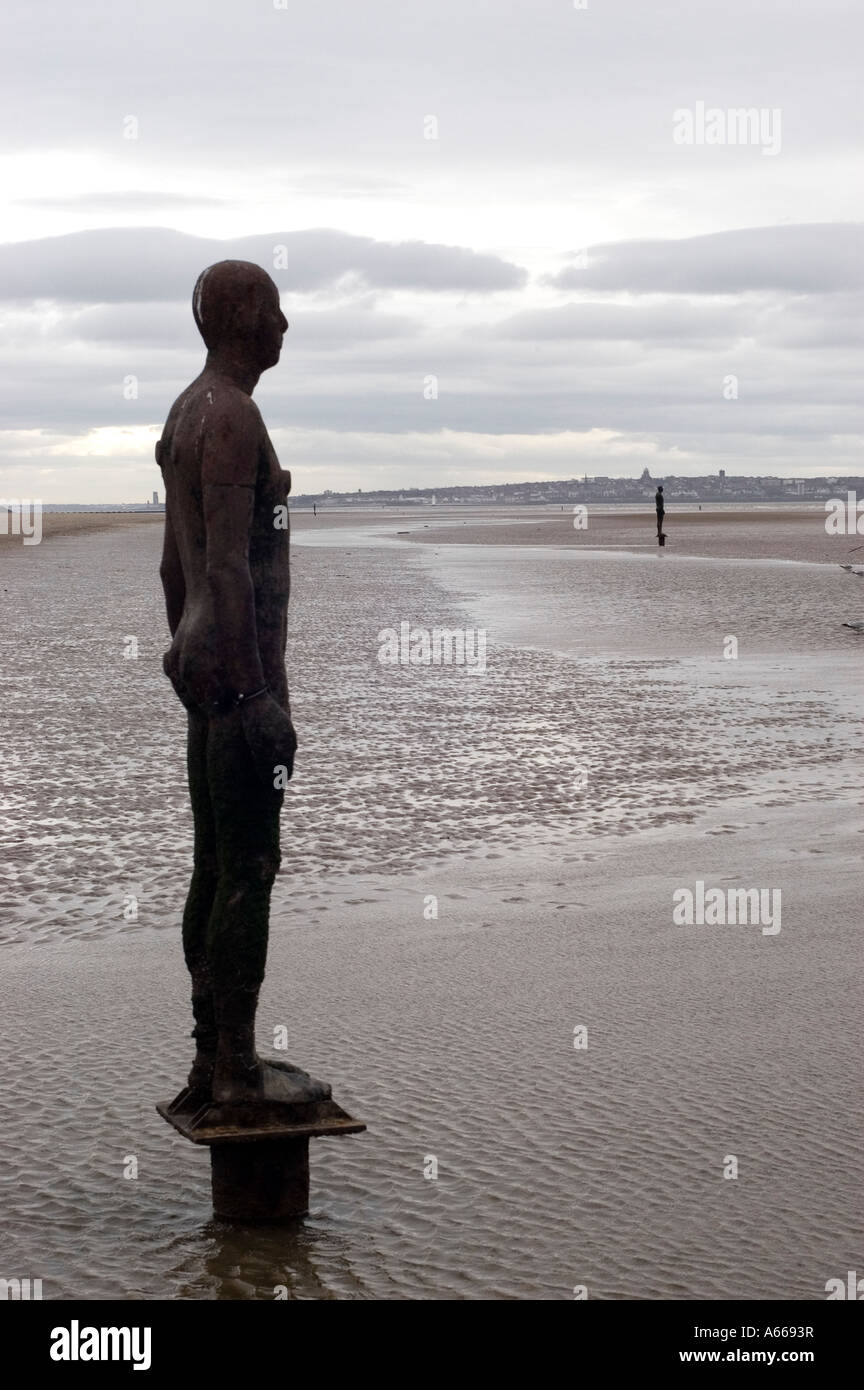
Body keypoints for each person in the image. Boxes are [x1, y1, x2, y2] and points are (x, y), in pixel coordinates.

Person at [155, 259, 328, 1106]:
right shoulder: (232, 414)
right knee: (249, 866)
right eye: (276, 310)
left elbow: (169, 571)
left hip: (205, 677)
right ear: (242, 315)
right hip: (237, 681)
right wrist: (256, 693)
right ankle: (232, 1067)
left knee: (211, 864)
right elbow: (223, 567)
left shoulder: (187, 410)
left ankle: (206, 1059)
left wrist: (189, 657)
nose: (286, 326)